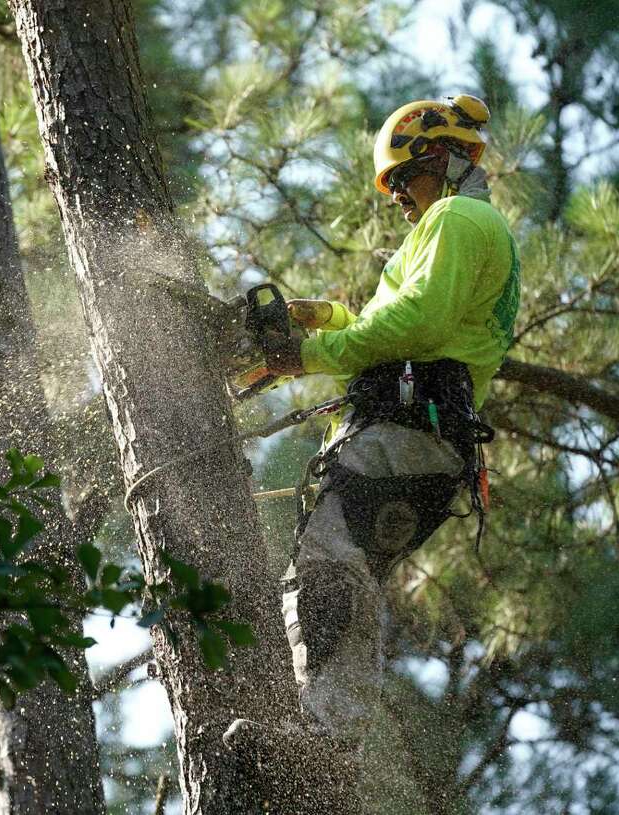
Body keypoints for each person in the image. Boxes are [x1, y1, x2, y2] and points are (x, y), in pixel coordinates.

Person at [224, 95, 522, 785]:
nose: (397, 199)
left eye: (404, 181)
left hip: (406, 431)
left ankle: (326, 739)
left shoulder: (459, 217)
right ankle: (321, 734)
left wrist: (311, 351)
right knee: (335, 565)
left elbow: (417, 323)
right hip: (415, 438)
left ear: (442, 162)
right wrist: (324, 319)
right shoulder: (449, 229)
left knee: (328, 563)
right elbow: (399, 326)